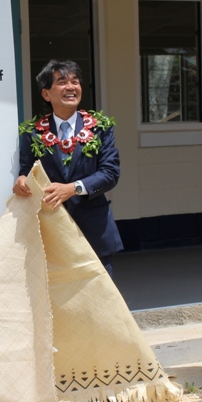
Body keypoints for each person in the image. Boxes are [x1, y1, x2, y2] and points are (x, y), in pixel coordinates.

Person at [13, 59, 123, 274]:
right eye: (62, 82)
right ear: (46, 94)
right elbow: (26, 169)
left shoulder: (100, 128)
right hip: (52, 230)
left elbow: (110, 173)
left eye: (75, 81)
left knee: (100, 301)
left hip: (93, 230)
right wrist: (21, 181)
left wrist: (72, 188)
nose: (71, 87)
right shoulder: (32, 132)